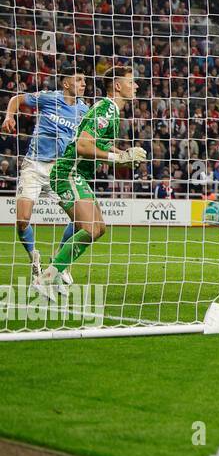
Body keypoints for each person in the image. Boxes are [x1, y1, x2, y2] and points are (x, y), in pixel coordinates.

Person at [38, 67, 147, 300]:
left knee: (98, 229)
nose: (136, 86)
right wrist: (117, 158)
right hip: (68, 173)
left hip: (78, 175)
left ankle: (56, 272)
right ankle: (47, 276)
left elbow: (101, 147)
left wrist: (124, 155)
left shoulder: (113, 112)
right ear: (117, 86)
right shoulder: (106, 109)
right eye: (131, 82)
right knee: (89, 228)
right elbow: (82, 146)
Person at [3, 71, 88, 280]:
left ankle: (59, 262)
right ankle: (34, 259)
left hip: (60, 171)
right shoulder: (50, 98)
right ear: (66, 83)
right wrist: (9, 116)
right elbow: (17, 99)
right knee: (22, 220)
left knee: (81, 222)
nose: (84, 84)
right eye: (78, 80)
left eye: (84, 80)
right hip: (34, 165)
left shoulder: (83, 110)